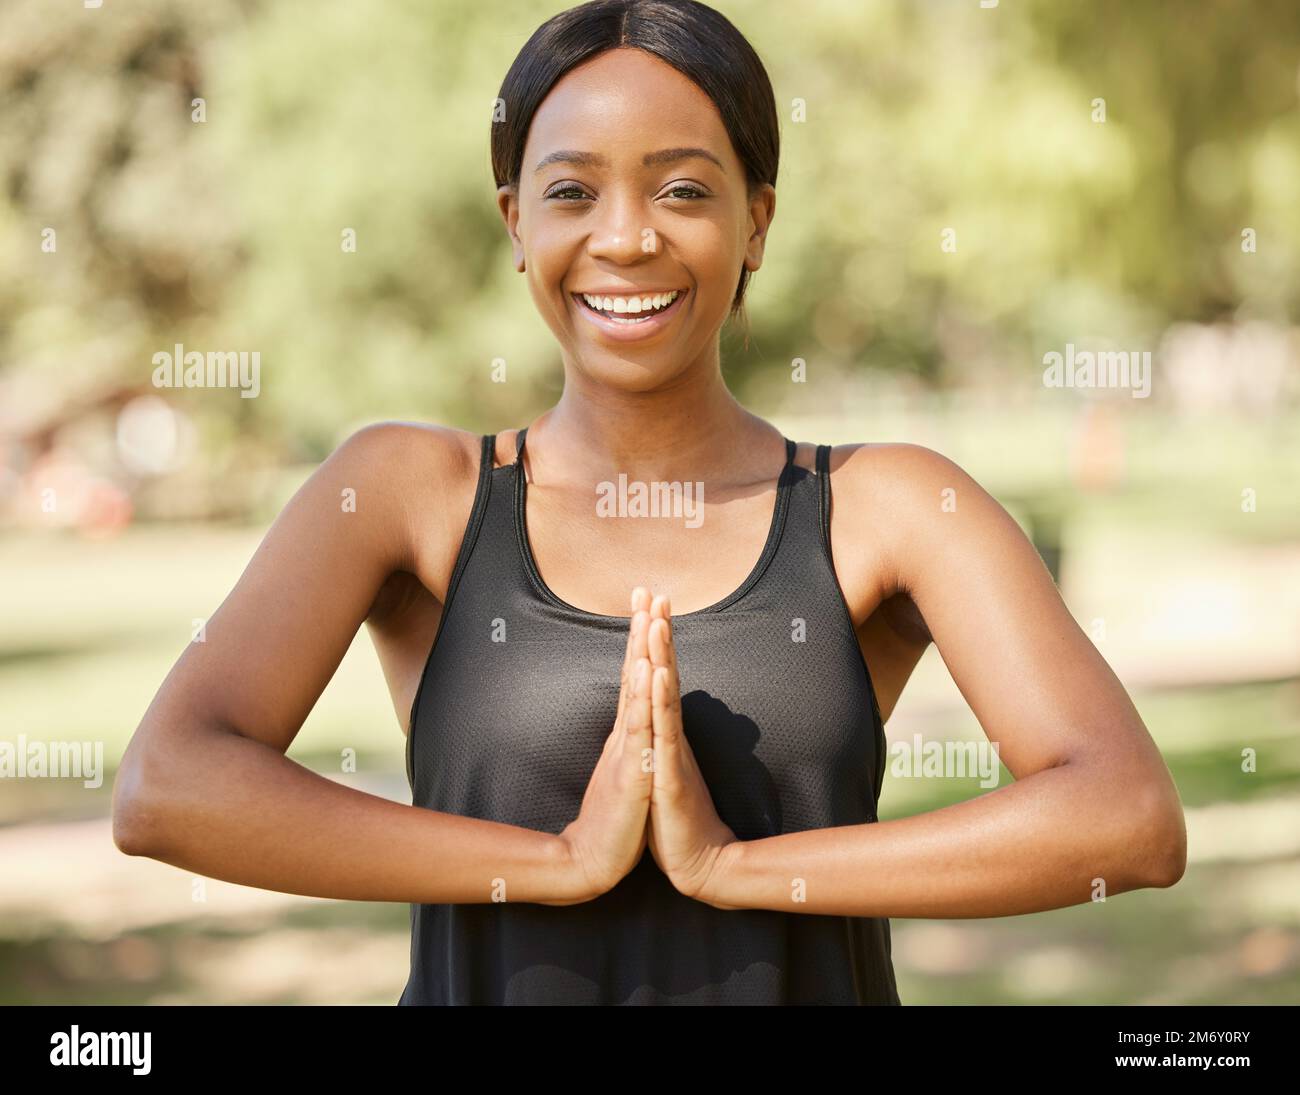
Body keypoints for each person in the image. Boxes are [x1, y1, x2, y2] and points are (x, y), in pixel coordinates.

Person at [112, 0, 1187, 1005]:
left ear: (756, 223)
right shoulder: (405, 492)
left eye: (682, 189)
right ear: (515, 224)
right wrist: (553, 863)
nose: (626, 238)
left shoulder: (888, 507)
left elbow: (1124, 820)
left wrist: (735, 868)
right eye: (572, 191)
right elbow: (170, 786)